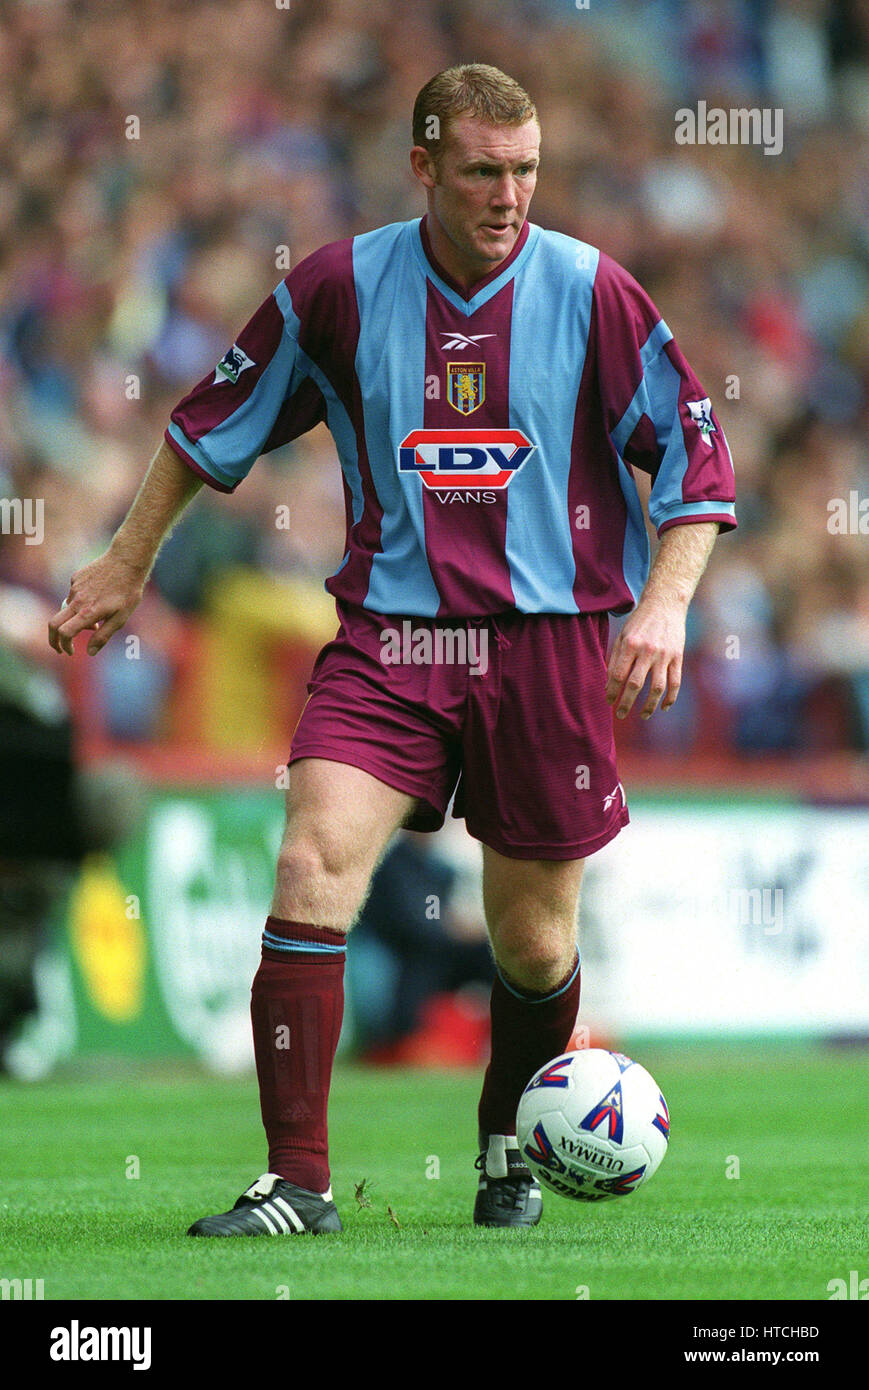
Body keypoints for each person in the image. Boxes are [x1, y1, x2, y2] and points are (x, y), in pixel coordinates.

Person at [48, 64, 736, 1234]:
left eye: (523, 170)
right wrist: (124, 563)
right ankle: (297, 1183)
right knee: (312, 857)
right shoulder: (338, 287)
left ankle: (498, 1150)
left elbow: (694, 461)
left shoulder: (591, 291)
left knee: (529, 944)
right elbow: (204, 426)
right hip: (392, 642)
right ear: (422, 167)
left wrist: (663, 604)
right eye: (480, 170)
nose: (507, 194)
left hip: (550, 647)